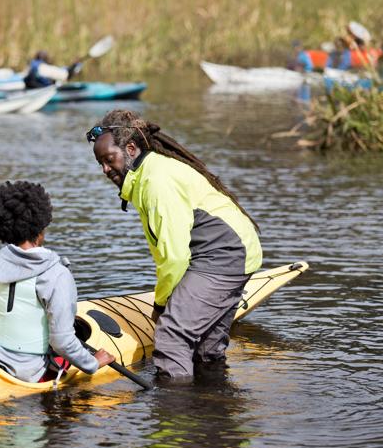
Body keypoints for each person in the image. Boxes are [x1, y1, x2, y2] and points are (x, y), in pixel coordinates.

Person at [87, 110, 262, 379]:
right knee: (206, 348)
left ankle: (174, 416)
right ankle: (214, 408)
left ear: (131, 149)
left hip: (223, 255)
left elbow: (174, 257)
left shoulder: (156, 181)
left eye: (109, 160)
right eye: (100, 163)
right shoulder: (146, 175)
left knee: (171, 336)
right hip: (233, 252)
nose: (105, 169)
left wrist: (161, 305)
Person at [0, 180, 115, 383]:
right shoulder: (57, 275)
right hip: (27, 372)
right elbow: (62, 342)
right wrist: (93, 363)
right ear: (41, 227)